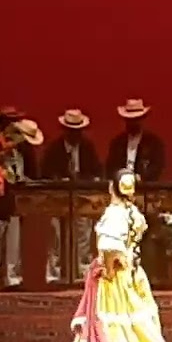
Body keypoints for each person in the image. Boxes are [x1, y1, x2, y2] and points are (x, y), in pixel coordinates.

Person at [55, 169, 172, 342]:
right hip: (133, 275)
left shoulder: (115, 214)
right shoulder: (132, 212)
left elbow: (109, 247)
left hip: (116, 280)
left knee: (116, 332)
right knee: (135, 330)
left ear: (111, 187)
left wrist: (106, 270)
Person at [42, 108, 103, 284]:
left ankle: (83, 274)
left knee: (83, 237)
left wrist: (87, 181)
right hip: (58, 198)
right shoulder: (54, 148)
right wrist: (59, 180)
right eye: (71, 131)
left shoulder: (87, 147)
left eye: (78, 131)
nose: (75, 134)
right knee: (56, 238)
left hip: (82, 197)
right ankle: (54, 275)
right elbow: (45, 172)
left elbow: (97, 170)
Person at [0, 113, 42, 288]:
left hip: (17, 198)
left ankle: (13, 278)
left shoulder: (24, 149)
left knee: (14, 241)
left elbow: (32, 172)